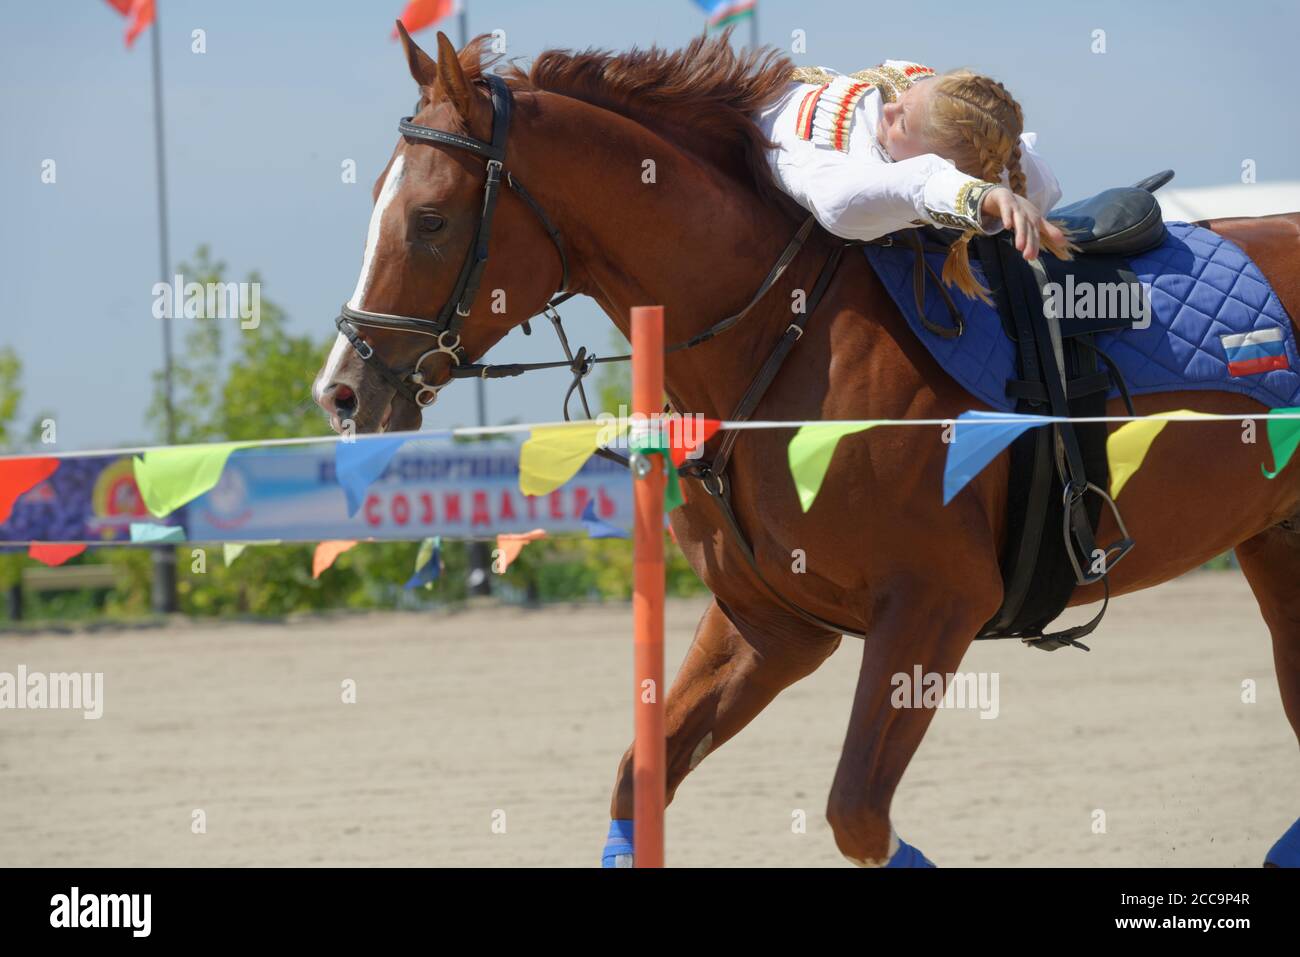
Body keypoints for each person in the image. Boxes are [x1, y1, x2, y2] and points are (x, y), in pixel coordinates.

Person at [757, 61, 1071, 301]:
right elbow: (1035, 178)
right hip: (736, 95)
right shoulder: (911, 82)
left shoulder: (841, 180)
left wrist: (984, 196)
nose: (889, 107)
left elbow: (916, 183)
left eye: (903, 124)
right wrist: (994, 193)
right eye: (905, 100)